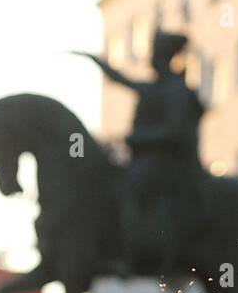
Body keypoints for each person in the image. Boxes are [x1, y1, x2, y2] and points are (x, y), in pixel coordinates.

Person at [76, 30, 205, 276]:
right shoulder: (157, 87)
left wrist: (138, 139)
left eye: (156, 55)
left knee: (131, 187)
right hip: (148, 160)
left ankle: (135, 249)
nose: (151, 60)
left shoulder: (175, 90)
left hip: (166, 163)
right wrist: (95, 61)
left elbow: (175, 133)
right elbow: (122, 80)